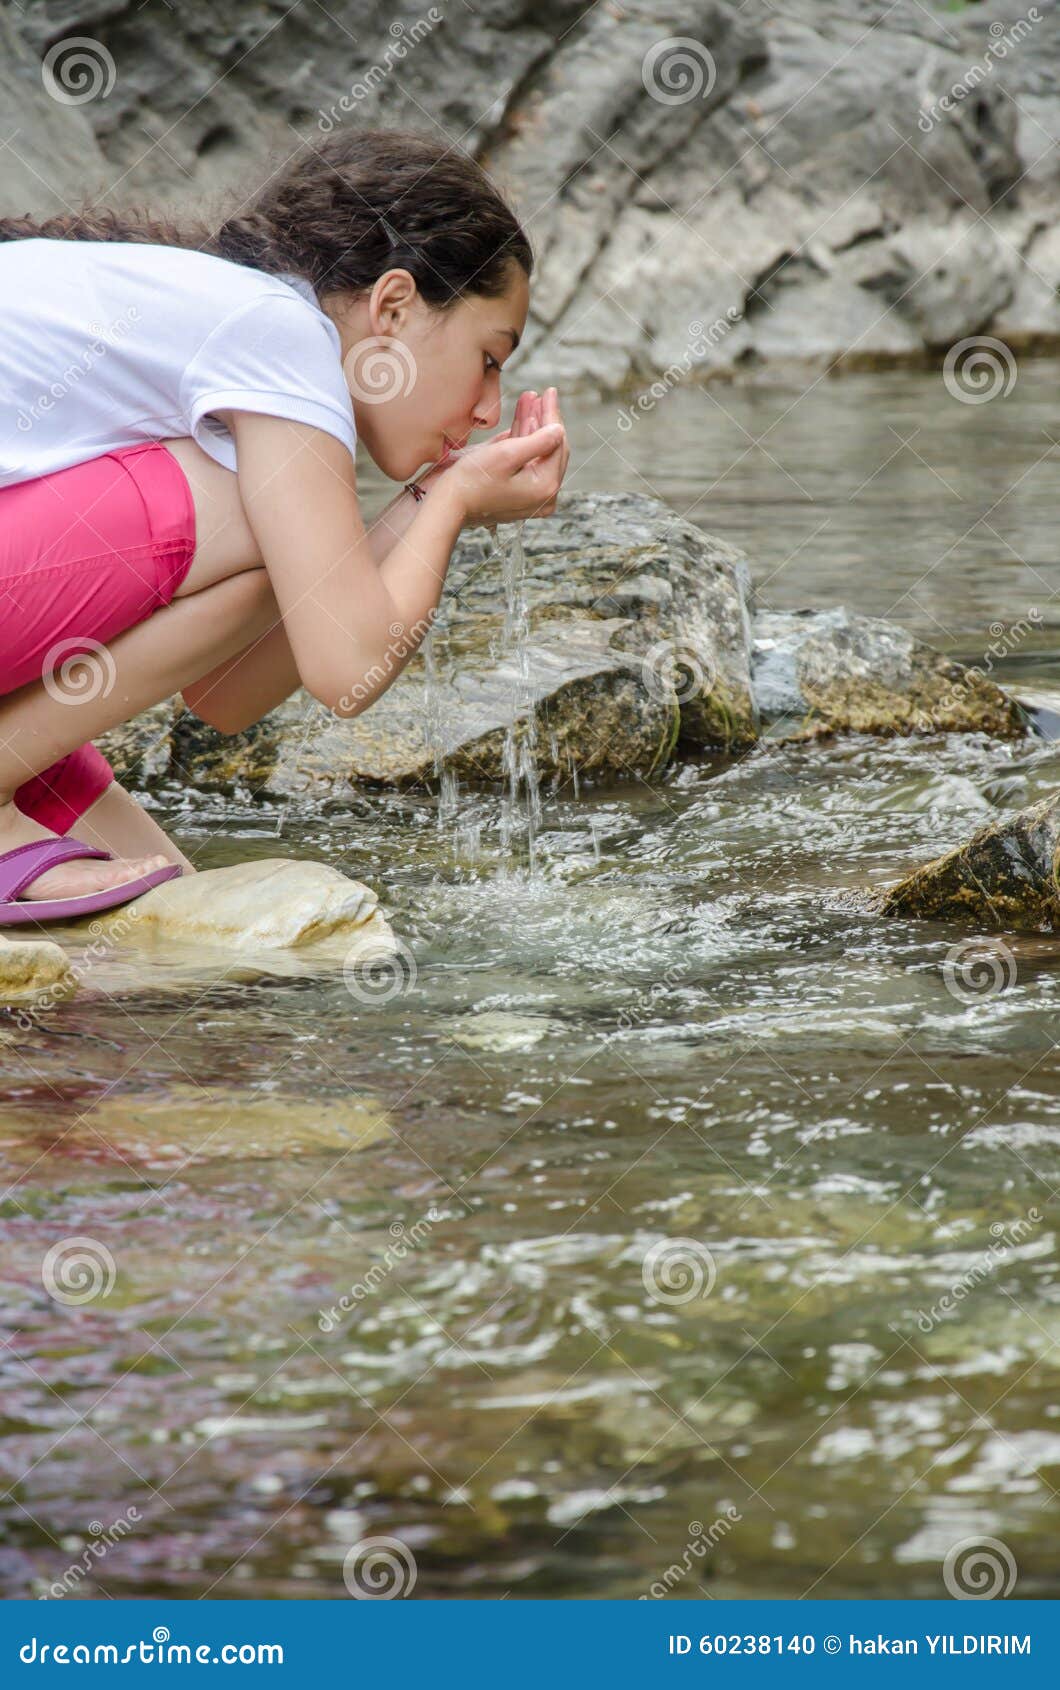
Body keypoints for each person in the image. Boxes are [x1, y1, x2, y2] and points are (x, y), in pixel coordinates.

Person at [0, 127, 569, 923]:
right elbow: (350, 665)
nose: (486, 408)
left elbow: (225, 695)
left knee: (170, 905)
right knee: (256, 505)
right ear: (394, 305)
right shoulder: (280, 334)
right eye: (489, 357)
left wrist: (430, 499)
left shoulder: (236, 321)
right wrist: (453, 502)